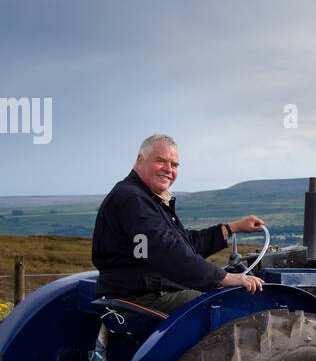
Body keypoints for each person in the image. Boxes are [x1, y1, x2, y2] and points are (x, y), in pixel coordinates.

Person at [91, 134, 265, 314]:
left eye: (174, 165)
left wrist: (232, 228)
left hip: (148, 291)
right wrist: (223, 278)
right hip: (141, 297)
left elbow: (185, 243)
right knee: (230, 306)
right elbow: (165, 250)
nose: (168, 169)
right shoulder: (133, 199)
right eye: (160, 161)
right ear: (140, 160)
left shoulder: (148, 198)